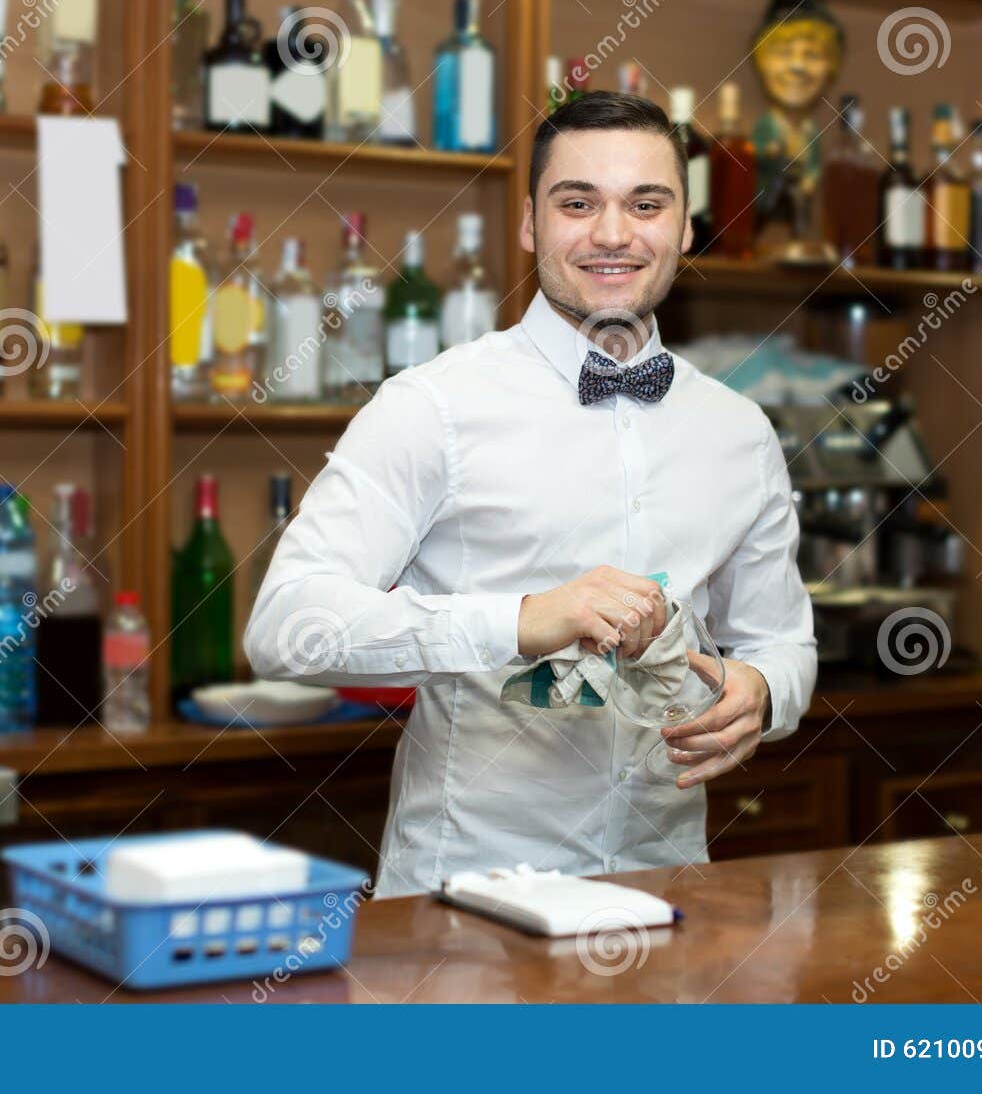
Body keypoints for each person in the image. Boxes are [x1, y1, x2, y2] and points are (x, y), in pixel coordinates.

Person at [245, 92, 816, 897]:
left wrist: (765, 691)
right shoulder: (431, 406)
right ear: (529, 225)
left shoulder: (740, 432)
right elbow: (284, 627)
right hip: (467, 919)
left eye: (645, 204)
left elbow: (782, 641)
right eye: (577, 203)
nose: (613, 233)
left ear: (685, 228)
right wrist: (517, 621)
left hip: (670, 898)